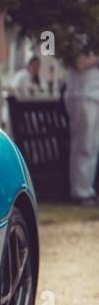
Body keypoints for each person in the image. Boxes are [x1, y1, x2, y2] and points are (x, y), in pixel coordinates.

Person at [64, 47, 99, 205]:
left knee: (92, 145)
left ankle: (87, 190)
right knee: (84, 144)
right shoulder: (75, 32)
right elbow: (78, 63)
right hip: (83, 93)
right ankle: (81, 192)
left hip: (94, 94)